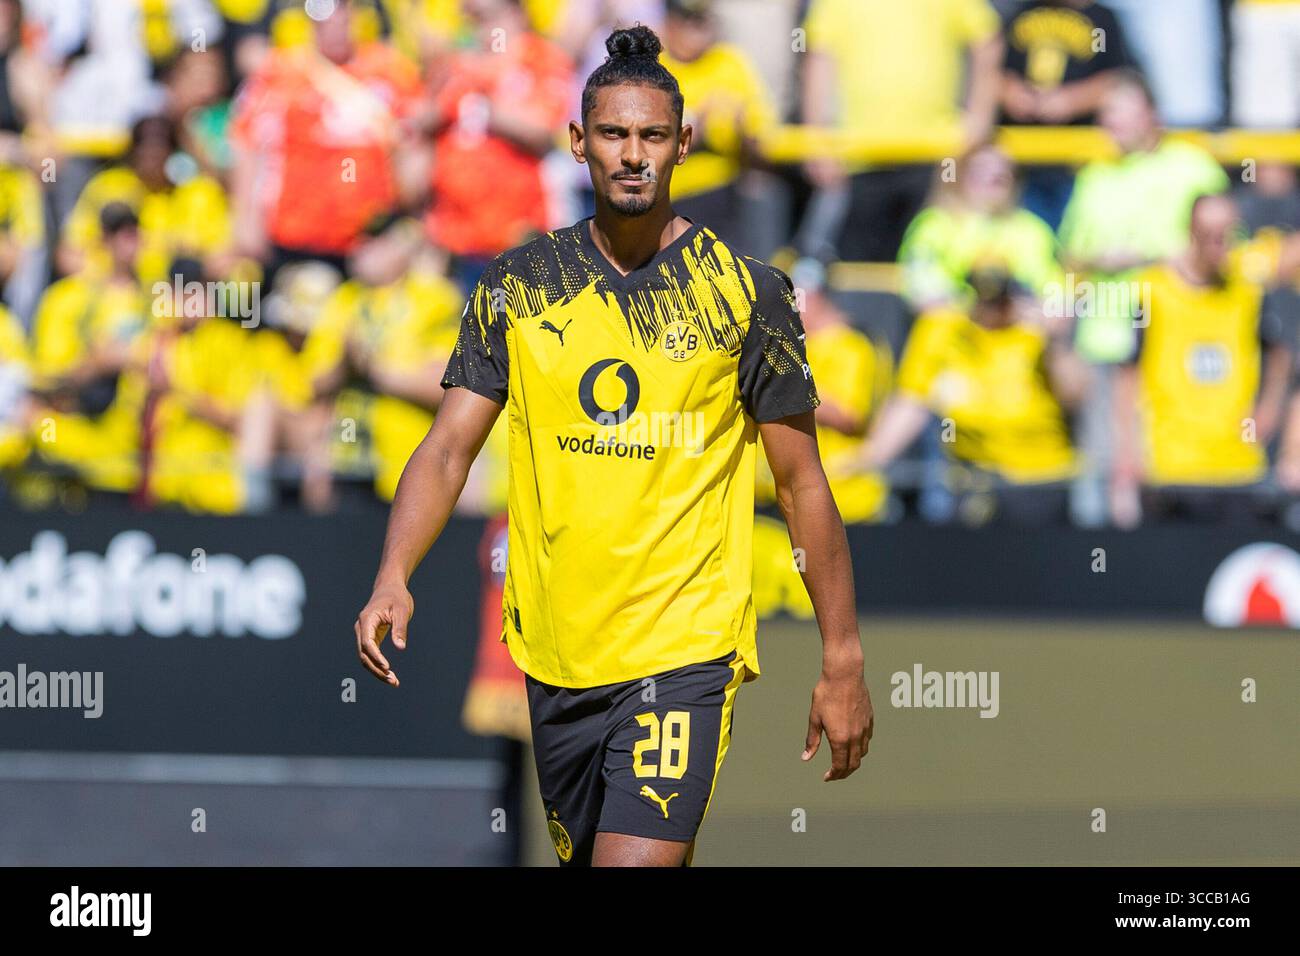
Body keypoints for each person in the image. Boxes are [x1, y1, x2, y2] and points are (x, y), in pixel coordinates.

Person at [353, 25, 873, 867]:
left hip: (683, 651)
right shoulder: (517, 286)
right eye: (615, 135)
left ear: (683, 146)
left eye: (653, 136)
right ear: (578, 143)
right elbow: (449, 449)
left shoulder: (748, 295)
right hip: (557, 654)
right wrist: (392, 574)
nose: (634, 155)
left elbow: (802, 482)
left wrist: (841, 657)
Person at [1057, 69, 1228, 525]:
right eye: (1107, 114)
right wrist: (1097, 260)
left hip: (1173, 343)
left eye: (1123, 112)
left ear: (1152, 114)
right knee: (1103, 463)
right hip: (1105, 337)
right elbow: (1070, 254)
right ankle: (1102, 571)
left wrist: (1149, 255)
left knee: (1162, 465)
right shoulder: (1095, 175)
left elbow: (1224, 241)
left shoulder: (1193, 165)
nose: (1112, 124)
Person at [1112, 194, 1294, 526]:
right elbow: (1128, 374)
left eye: (1227, 235)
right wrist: (1128, 452)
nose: (1219, 245)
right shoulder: (1154, 289)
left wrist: (1265, 415)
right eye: (1210, 234)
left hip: (1236, 469)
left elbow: (1280, 356)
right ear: (1190, 233)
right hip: (1171, 466)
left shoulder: (1248, 288)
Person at [859, 265, 1089, 525]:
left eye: (1001, 300)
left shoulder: (1037, 334)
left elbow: (1076, 397)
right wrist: (869, 457)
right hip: (973, 480)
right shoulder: (945, 328)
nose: (991, 310)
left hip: (1040, 480)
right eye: (983, 299)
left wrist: (1057, 345)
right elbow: (912, 401)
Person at [798, 0, 1003, 262]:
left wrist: (978, 123)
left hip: (935, 159)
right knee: (855, 276)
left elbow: (987, 41)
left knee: (930, 270)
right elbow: (819, 56)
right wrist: (818, 143)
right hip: (857, 161)